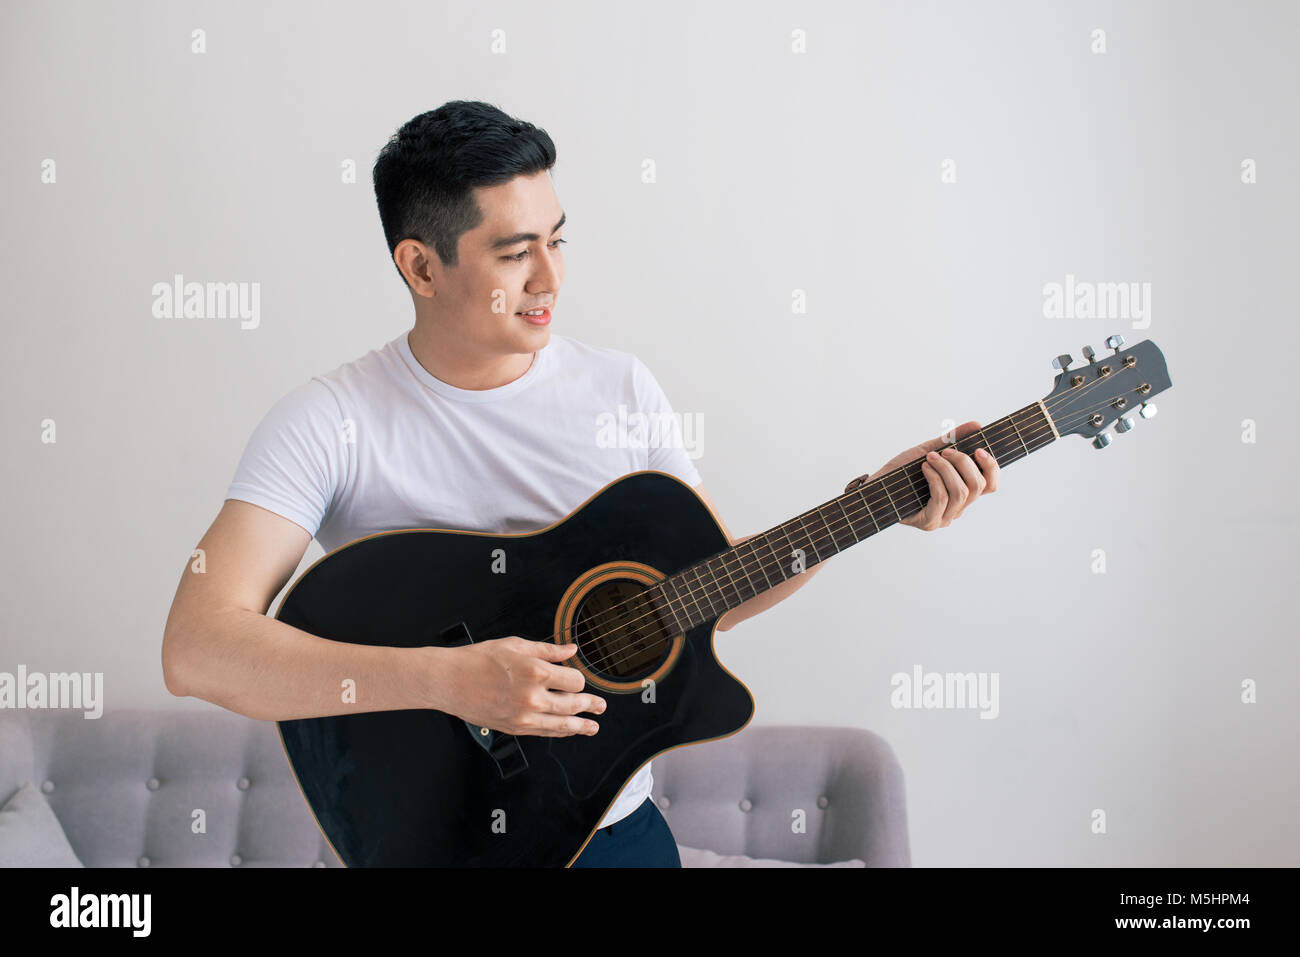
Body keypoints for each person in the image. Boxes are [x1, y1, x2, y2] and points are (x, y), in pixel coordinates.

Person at [161, 100, 1000, 867]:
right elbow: (198, 648)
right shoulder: (329, 420)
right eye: (514, 251)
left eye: (557, 239)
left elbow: (707, 590)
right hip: (430, 844)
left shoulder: (621, 390)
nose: (551, 278)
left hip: (613, 835)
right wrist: (449, 680)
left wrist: (871, 503)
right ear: (421, 266)